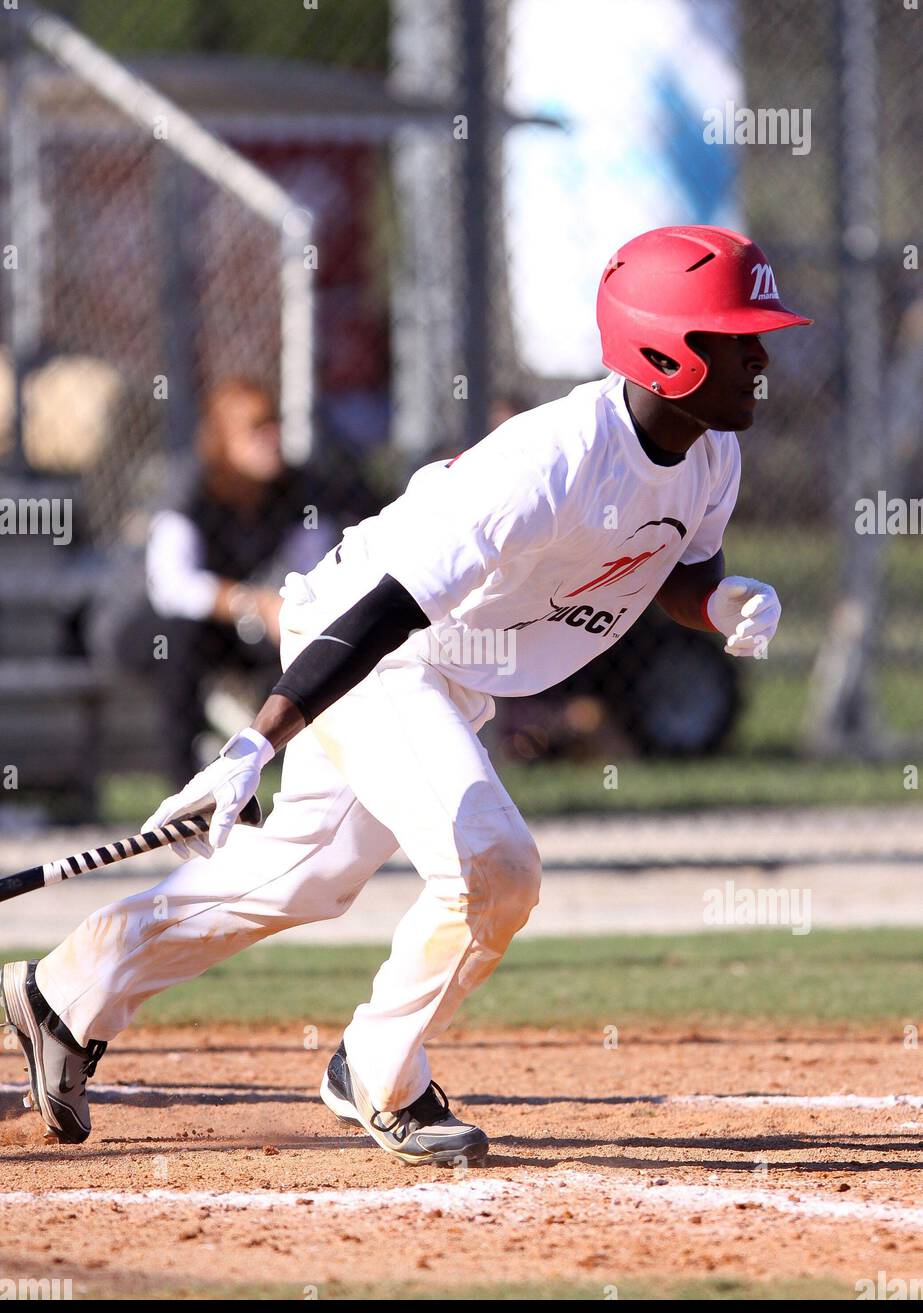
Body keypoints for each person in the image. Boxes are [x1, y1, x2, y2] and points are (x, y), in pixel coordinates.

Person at [0, 226, 811, 1165]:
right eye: (737, 336)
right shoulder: (547, 461)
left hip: (443, 670)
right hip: (373, 648)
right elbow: (382, 609)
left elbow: (677, 559)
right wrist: (253, 743)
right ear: (664, 351)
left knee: (296, 878)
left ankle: (62, 994)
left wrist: (718, 600)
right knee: (494, 867)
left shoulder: (711, 451)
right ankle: (378, 1072)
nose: (759, 355)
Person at [119, 377, 334, 783]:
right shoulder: (190, 489)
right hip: (150, 623)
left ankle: (301, 782)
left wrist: (281, 611)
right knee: (178, 639)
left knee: (308, 636)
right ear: (222, 438)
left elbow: (316, 565)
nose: (271, 438)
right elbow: (172, 588)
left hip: (238, 628)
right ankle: (183, 790)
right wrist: (253, 603)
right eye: (255, 428)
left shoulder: (296, 489)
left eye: (274, 424)